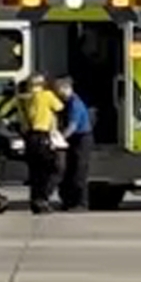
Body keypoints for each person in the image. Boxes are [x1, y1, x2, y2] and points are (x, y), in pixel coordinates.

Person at [17, 74, 64, 215]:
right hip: (42, 135)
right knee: (53, 168)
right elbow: (59, 107)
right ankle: (43, 199)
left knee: (35, 172)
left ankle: (35, 202)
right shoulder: (47, 95)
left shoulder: (23, 99)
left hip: (29, 137)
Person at [54, 77, 93, 211]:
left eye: (59, 90)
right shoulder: (68, 103)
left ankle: (81, 203)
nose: (58, 93)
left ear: (67, 88)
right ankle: (69, 201)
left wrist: (60, 139)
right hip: (73, 139)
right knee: (69, 172)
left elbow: (72, 126)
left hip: (82, 138)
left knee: (79, 172)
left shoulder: (75, 104)